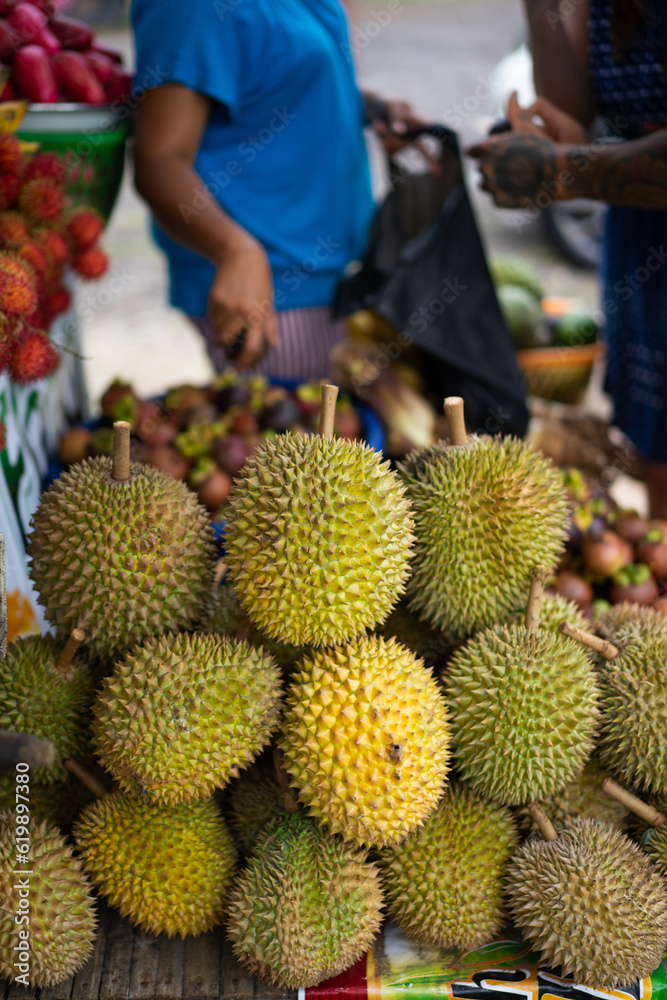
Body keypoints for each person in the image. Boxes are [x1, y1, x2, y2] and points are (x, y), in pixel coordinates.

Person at [131, 0, 429, 378]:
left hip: (334, 276)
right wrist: (235, 251)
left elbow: (276, 72)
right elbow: (159, 161)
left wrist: (366, 106)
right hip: (272, 293)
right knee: (301, 433)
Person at [469, 0, 667, 518]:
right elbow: (571, 106)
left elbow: (575, 164)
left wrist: (565, 171)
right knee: (659, 460)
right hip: (643, 255)